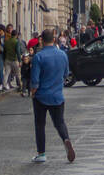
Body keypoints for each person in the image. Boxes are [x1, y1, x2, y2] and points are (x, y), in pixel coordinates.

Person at [28, 29, 75, 164]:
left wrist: (33, 92)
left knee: (40, 124)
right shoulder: (63, 55)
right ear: (54, 40)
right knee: (60, 122)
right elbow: (66, 74)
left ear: (41, 40)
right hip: (57, 95)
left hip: (41, 96)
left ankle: (41, 153)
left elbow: (35, 80)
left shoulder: (38, 57)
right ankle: (65, 139)